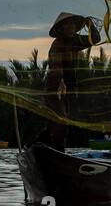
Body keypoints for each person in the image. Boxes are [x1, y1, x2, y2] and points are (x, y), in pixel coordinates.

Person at [45, 12, 105, 150]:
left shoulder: (75, 41)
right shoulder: (57, 45)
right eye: (68, 24)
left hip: (68, 87)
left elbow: (94, 38)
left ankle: (54, 150)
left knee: (61, 122)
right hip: (55, 88)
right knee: (60, 120)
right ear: (61, 28)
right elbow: (55, 68)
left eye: (73, 24)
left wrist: (90, 25)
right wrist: (60, 83)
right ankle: (54, 150)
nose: (71, 27)